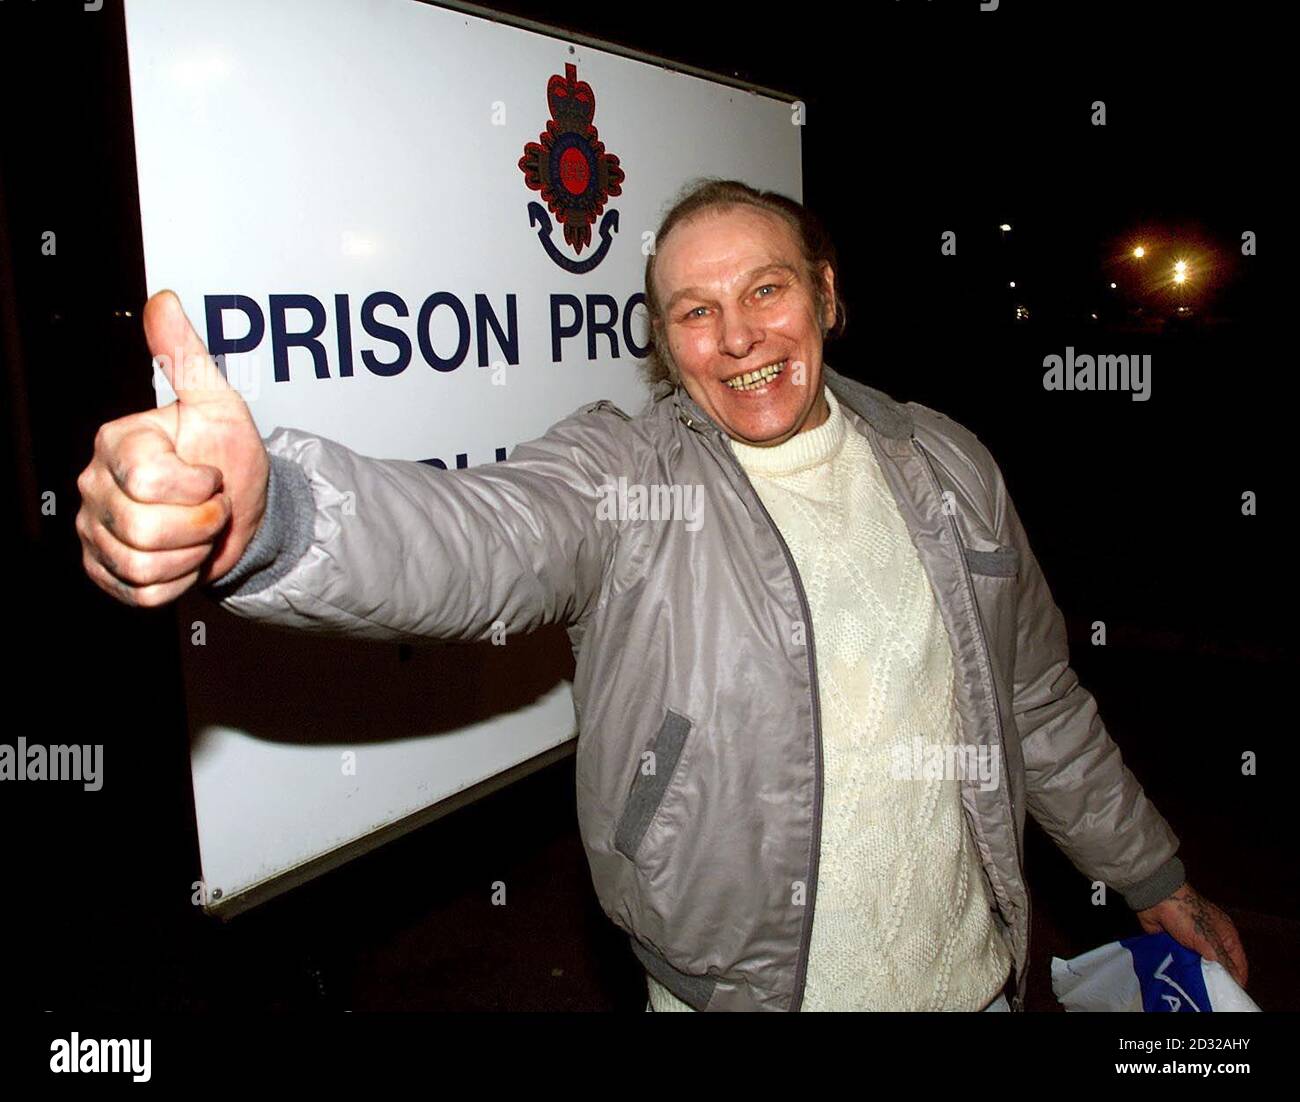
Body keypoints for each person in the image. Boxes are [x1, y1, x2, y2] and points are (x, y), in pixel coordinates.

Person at [76, 178, 1247, 1011]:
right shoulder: (629, 475)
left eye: (767, 290)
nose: (737, 336)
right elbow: (478, 534)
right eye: (694, 310)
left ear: (826, 295)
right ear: (662, 341)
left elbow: (1035, 699)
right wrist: (270, 512)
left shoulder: (948, 465)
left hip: (970, 976)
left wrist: (1150, 876)